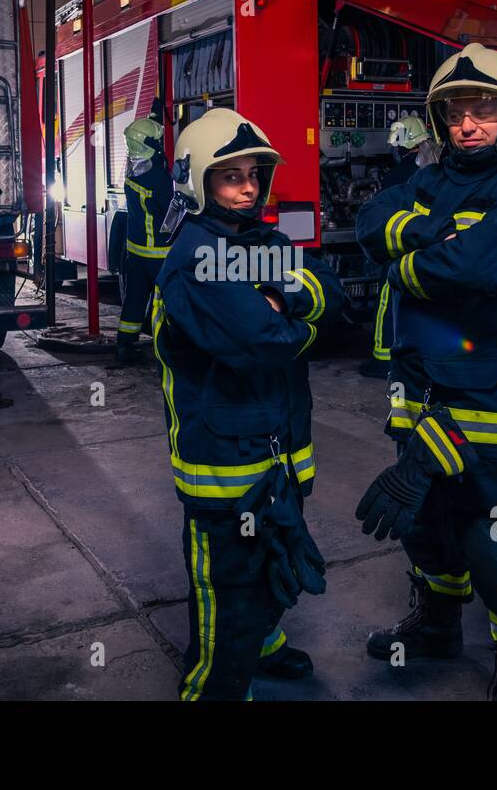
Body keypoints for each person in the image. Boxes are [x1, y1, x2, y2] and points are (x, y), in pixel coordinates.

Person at [355, 44, 497, 700]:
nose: (468, 124)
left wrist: (408, 262)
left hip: (485, 403)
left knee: (492, 538)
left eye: (484, 110)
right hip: (416, 397)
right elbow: (370, 219)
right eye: (456, 112)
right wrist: (441, 239)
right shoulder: (430, 180)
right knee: (427, 526)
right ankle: (436, 625)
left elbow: (478, 269)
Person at [153, 107, 346, 701]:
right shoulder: (193, 258)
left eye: (253, 175)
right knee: (228, 587)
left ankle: (261, 648)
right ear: (197, 182)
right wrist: (300, 319)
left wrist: (285, 298)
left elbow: (334, 298)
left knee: (270, 564)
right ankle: (213, 688)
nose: (246, 189)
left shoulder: (261, 240)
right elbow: (262, 346)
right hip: (226, 464)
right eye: (229, 176)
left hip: (278, 452)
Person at [360, 114, 438, 380]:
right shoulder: (433, 169)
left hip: (399, 244)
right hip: (426, 246)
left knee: (386, 299)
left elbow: (383, 209)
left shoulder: (398, 173)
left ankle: (382, 359)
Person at [116, 110, 173, 365]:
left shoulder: (133, 173)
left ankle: (125, 347)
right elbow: (171, 213)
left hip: (135, 254)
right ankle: (167, 348)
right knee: (167, 303)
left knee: (135, 301)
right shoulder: (159, 179)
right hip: (158, 255)